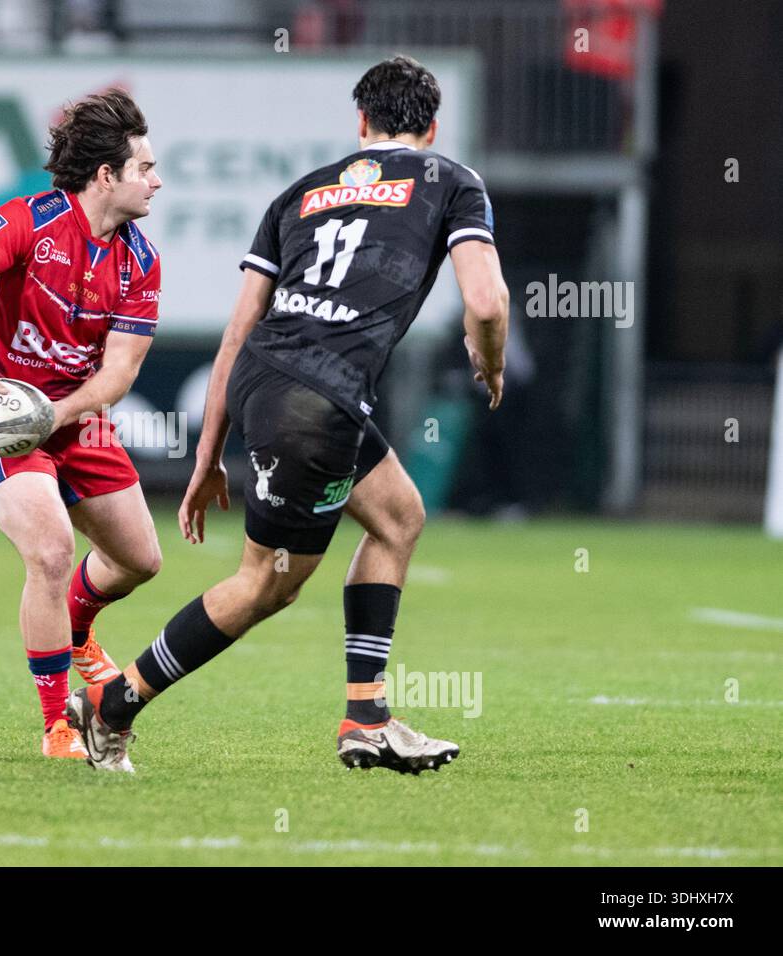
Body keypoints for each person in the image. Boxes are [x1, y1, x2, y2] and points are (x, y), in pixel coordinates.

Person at [67, 56, 509, 774]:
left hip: (267, 382)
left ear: (359, 123)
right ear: (431, 127)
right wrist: (488, 361)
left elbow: (237, 334)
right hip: (319, 403)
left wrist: (208, 454)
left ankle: (366, 717)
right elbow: (486, 303)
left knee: (399, 517)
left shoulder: (300, 193)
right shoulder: (450, 181)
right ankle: (115, 703)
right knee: (267, 582)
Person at [0, 89, 164, 759]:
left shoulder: (140, 261)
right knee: (52, 551)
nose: (156, 180)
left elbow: (118, 375)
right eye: (145, 167)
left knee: (141, 560)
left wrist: (53, 415)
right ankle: (59, 725)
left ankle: (78, 630)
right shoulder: (31, 221)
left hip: (71, 420)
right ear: (106, 175)